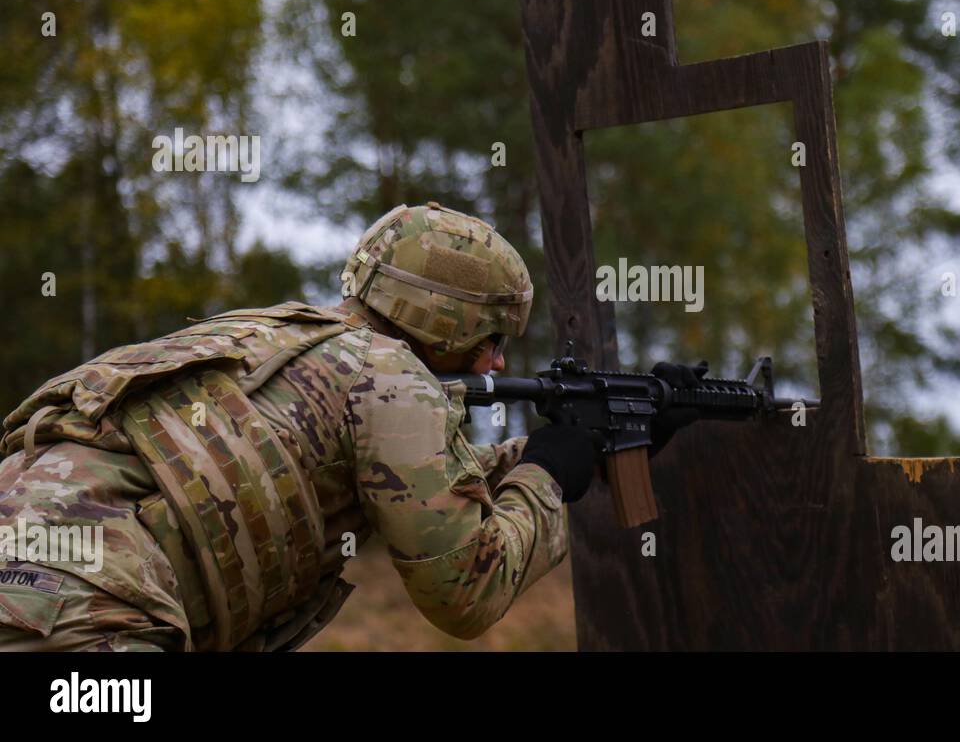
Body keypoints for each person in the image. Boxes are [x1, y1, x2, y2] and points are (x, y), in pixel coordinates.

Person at [0, 202, 696, 651]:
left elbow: (419, 491)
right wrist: (548, 479)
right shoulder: (391, 378)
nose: (498, 358)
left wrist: (577, 449)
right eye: (490, 333)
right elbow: (468, 592)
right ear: (444, 319)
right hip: (76, 611)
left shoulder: (285, 336)